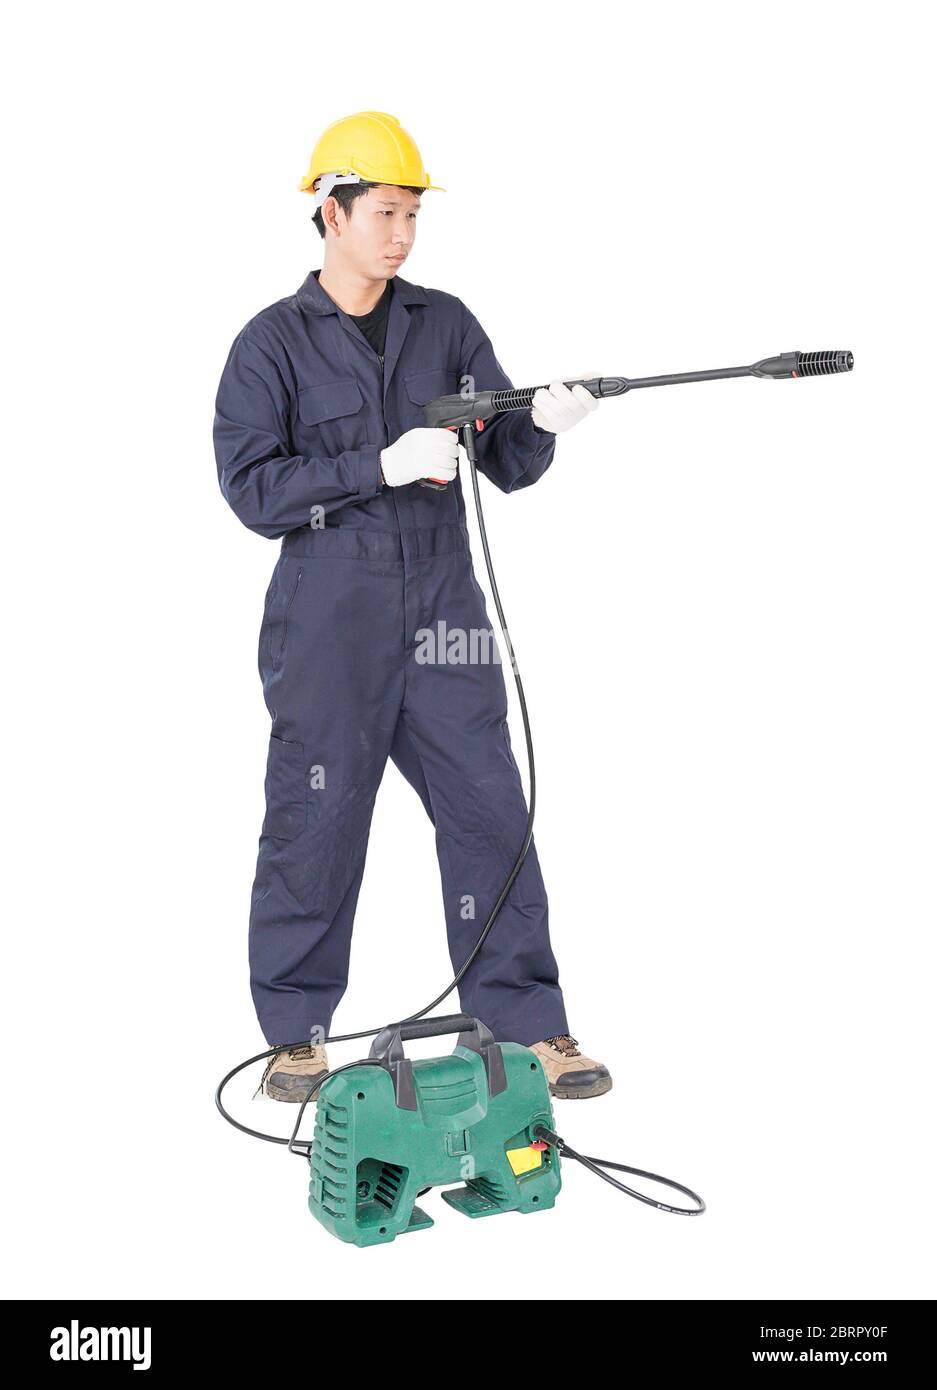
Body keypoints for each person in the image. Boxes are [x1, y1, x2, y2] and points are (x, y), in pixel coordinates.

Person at [212, 111, 612, 1102]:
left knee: (489, 812)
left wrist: (547, 424)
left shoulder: (447, 325)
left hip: (444, 615)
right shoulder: (271, 344)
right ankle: (296, 1033)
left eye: (411, 215)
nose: (399, 233)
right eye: (384, 211)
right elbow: (251, 487)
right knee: (315, 817)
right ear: (330, 212)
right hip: (328, 620)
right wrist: (374, 465)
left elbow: (508, 461)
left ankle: (529, 1024)